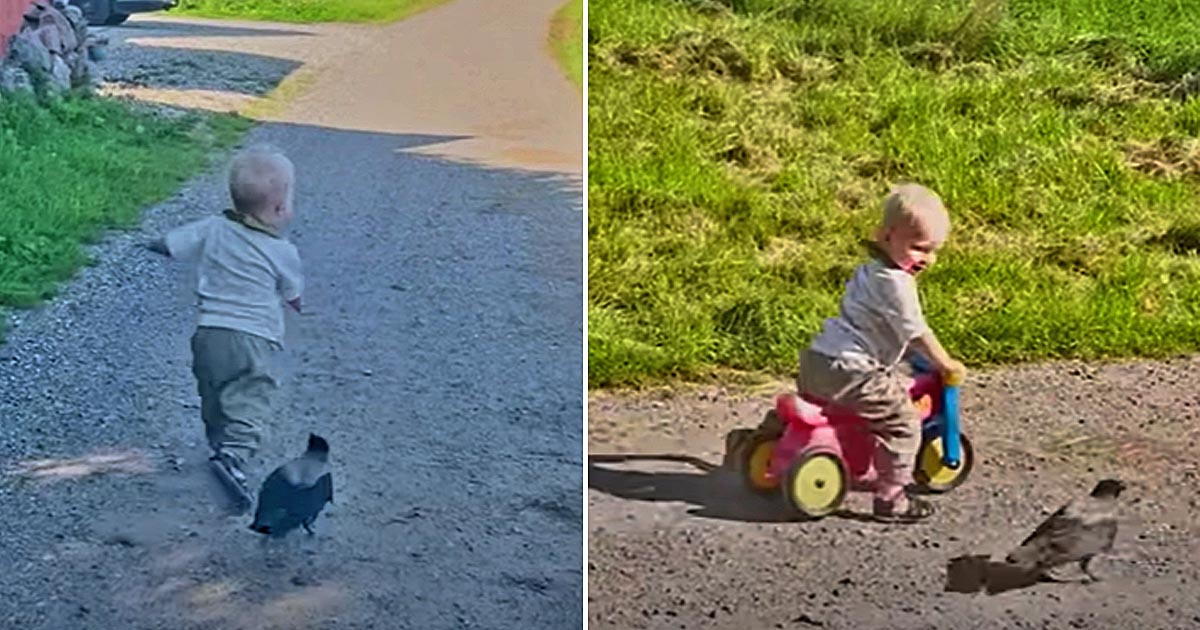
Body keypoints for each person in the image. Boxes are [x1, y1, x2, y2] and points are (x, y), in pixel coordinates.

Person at [793, 183, 965, 522]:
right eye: (917, 248)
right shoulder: (897, 284)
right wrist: (945, 363)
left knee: (851, 408)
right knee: (903, 422)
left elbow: (873, 324)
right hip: (852, 369)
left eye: (933, 251)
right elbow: (915, 331)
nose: (926, 259)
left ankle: (766, 444)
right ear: (886, 235)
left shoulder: (869, 270)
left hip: (818, 359)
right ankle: (892, 497)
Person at [146, 145, 303, 496]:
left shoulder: (213, 226)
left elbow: (171, 243)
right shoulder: (283, 252)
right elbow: (292, 292)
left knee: (214, 393)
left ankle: (220, 447)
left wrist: (152, 244)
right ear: (279, 209)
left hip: (209, 334)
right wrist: (297, 304)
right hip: (253, 338)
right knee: (250, 395)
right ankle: (233, 456)